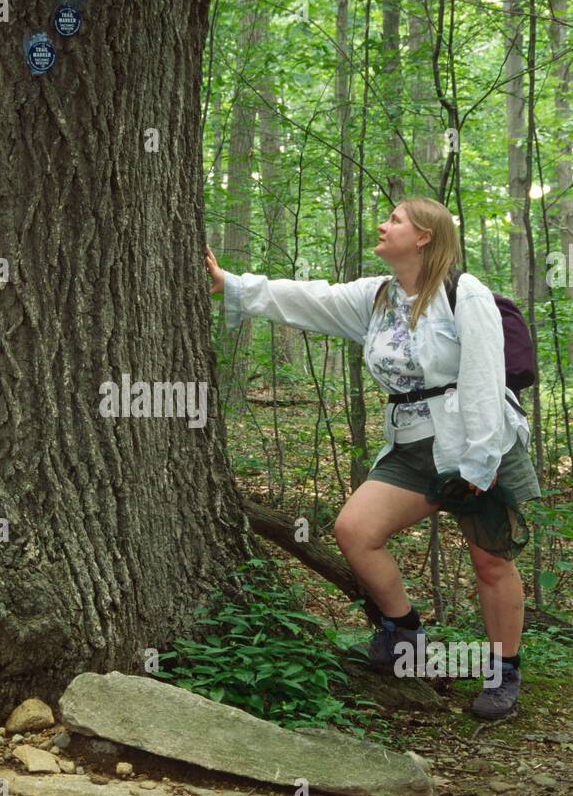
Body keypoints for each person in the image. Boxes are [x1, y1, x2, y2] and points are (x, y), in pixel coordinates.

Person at [205, 197, 540, 720]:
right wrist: (235, 284)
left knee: (490, 561)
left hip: (478, 440)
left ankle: (504, 673)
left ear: (425, 236)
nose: (383, 225)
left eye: (396, 220)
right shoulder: (377, 296)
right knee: (355, 530)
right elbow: (310, 298)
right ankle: (406, 635)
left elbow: (482, 378)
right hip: (411, 445)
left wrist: (478, 466)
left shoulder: (464, 293)